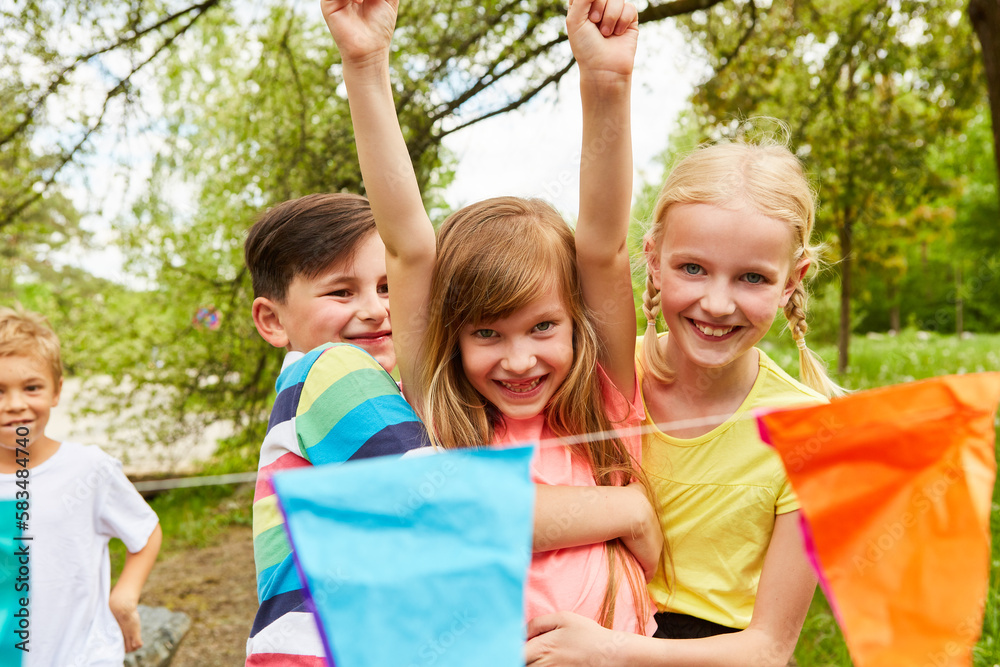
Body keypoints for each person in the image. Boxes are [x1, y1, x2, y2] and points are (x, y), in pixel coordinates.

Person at [321, 0, 661, 635]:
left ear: (577, 322)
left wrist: (606, 81)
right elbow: (407, 246)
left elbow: (604, 244)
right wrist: (365, 63)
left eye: (543, 327)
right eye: (486, 333)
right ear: (451, 337)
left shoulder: (602, 403)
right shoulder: (445, 419)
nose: (520, 359)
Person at [525, 137, 846, 665]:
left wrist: (609, 650)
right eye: (692, 268)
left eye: (753, 278)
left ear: (792, 282)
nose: (717, 304)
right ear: (653, 261)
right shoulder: (599, 377)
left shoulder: (810, 430)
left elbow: (768, 649)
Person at [244, 193, 429, 665]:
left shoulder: (379, 387)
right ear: (272, 319)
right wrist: (625, 512)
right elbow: (444, 501)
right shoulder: (330, 368)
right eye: (341, 292)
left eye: (388, 286)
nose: (374, 309)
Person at [0, 306, 162, 665]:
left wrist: (124, 597)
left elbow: (146, 529)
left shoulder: (89, 469)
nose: (14, 405)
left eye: (31, 387)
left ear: (56, 391)